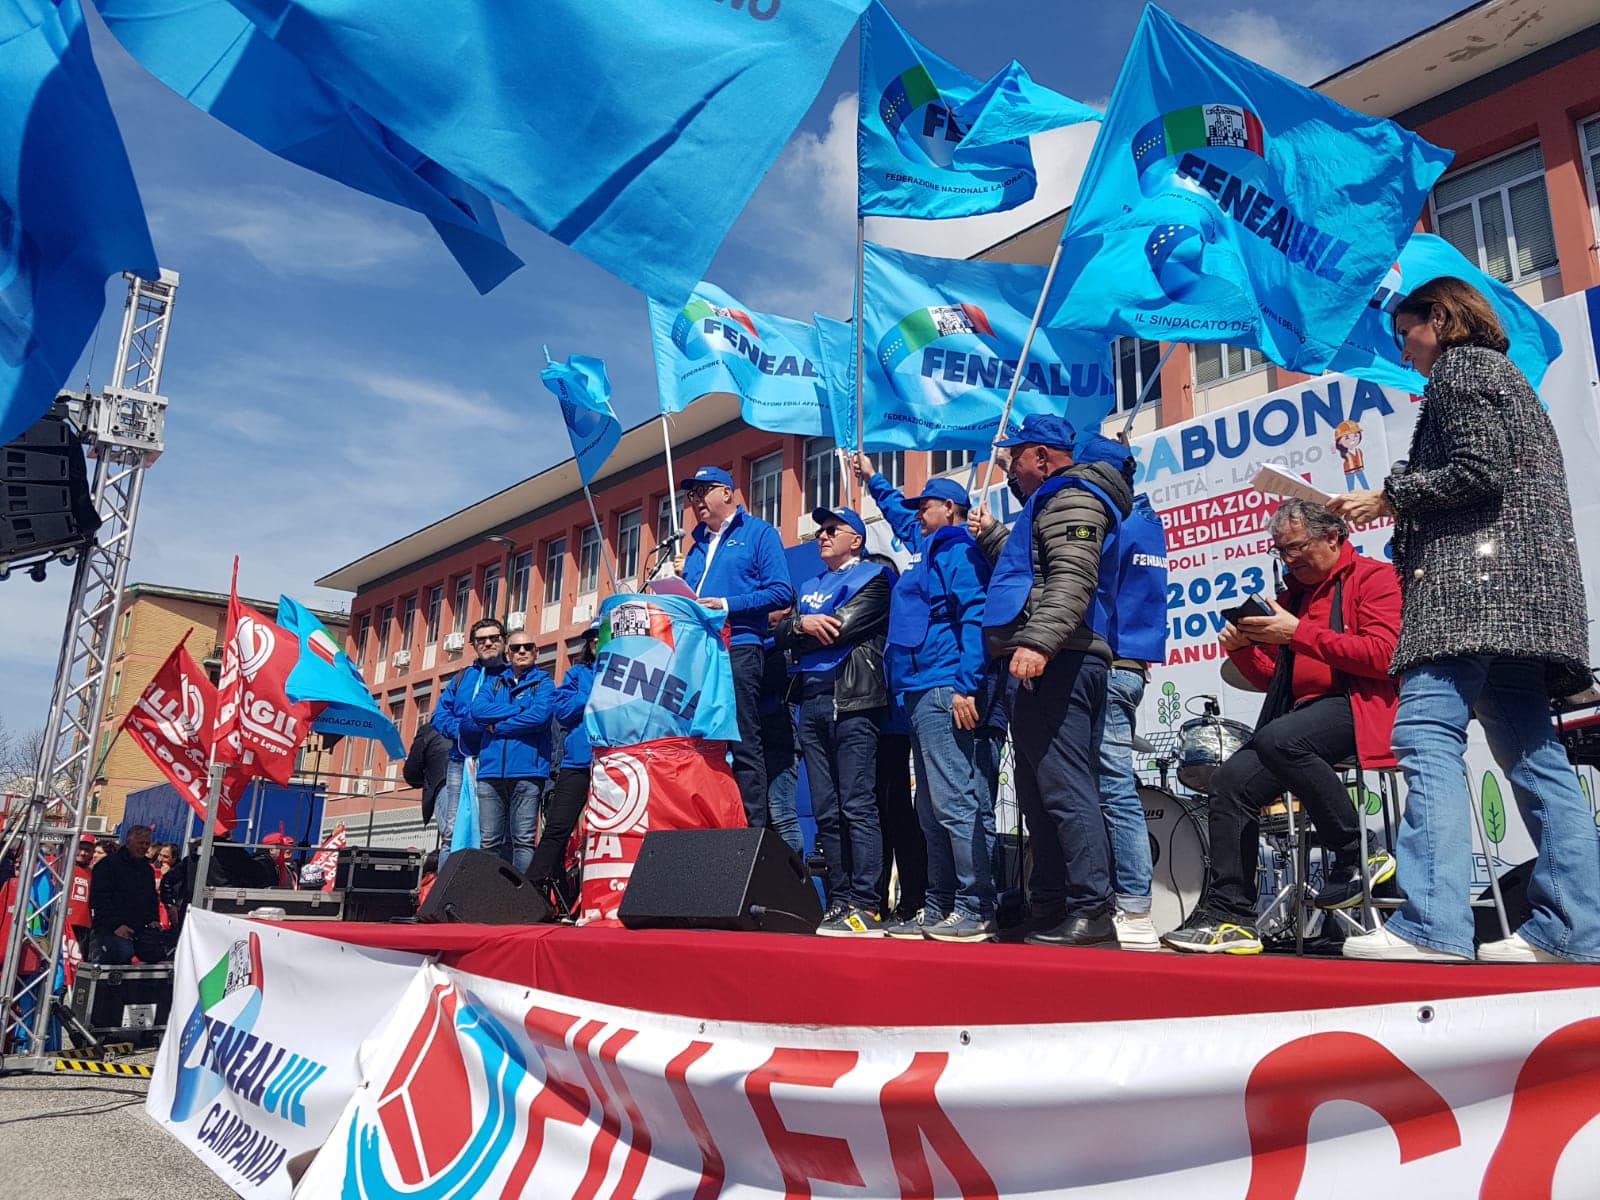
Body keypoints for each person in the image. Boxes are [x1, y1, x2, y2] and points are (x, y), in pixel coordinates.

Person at [1333, 275, 1600, 964]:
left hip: (1467, 594)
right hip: (1517, 601)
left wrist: (1389, 496)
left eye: (1408, 333)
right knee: (1536, 758)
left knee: (1424, 734)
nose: (1405, 351)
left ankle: (1431, 924)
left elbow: (1477, 471)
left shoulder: (1462, 370)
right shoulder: (1504, 378)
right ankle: (1575, 931)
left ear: (1443, 318)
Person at [1163, 500, 1401, 954]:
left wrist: (1297, 633)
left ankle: (1357, 853)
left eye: (1296, 547)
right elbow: (1274, 679)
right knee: (1230, 781)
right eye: (1280, 550)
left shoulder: (1374, 578)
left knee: (1280, 738)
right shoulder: (1292, 599)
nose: (1288, 559)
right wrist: (1241, 649)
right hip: (1301, 717)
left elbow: (1384, 655)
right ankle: (1230, 916)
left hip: (1358, 706)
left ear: (1332, 536)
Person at [970, 413, 1133, 948]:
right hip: (1044, 658)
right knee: (1038, 792)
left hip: (1062, 659)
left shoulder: (1074, 497)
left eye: (1015, 457)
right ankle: (1050, 905)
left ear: (1042, 457)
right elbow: (1033, 568)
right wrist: (994, 535)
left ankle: (1092, 909)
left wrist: (1039, 642)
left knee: (1063, 786)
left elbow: (1073, 576)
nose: (1009, 469)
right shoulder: (1051, 502)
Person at [856, 456, 995, 942]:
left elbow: (974, 616)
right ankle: (939, 904)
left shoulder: (960, 551)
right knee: (930, 807)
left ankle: (976, 905)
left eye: (926, 506)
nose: (917, 513)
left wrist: (965, 685)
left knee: (954, 801)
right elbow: (898, 513)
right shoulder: (925, 544)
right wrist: (871, 478)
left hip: (942, 686)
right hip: (916, 691)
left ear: (950, 509)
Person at [1071, 436, 1170, 951]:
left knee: (1111, 788)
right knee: (1108, 786)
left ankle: (1134, 909)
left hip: (1109, 665)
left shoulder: (1116, 521)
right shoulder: (1147, 522)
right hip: (1130, 666)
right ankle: (1124, 904)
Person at [776, 506, 891, 936]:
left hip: (854, 701)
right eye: (820, 530)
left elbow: (841, 628)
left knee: (856, 804)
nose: (822, 536)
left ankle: (867, 904)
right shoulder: (808, 586)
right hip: (811, 702)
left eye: (831, 530)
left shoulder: (875, 578)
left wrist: (800, 629)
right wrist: (801, 625)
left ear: (856, 540)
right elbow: (781, 634)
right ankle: (840, 899)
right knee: (826, 810)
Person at [678, 465, 795, 828]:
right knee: (700, 743)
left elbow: (781, 592)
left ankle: (751, 831)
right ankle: (709, 821)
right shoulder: (695, 547)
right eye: (692, 495)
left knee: (742, 739)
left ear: (727, 492)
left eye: (703, 491)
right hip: (698, 654)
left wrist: (726, 604)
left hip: (740, 646)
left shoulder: (758, 532)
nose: (696, 500)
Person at [470, 632, 556, 875]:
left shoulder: (545, 683)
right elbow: (478, 711)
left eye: (527, 647)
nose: (522, 651)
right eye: (516, 648)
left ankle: (521, 895)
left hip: (528, 773)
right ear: (508, 654)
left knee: (523, 841)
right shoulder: (494, 683)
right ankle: (489, 893)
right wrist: (518, 708)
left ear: (536, 652)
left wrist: (497, 726)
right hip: (490, 773)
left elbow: (539, 717)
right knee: (489, 842)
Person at [430, 617, 509, 862]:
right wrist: (463, 729)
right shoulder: (463, 677)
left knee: (493, 834)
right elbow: (439, 715)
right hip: (460, 762)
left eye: (494, 638)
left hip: (497, 763)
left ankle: (486, 884)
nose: (488, 643)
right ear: (473, 645)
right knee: (451, 832)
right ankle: (446, 885)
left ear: (504, 641)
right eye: (481, 640)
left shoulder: (513, 676)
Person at [534, 621, 599, 899]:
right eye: (592, 637)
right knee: (557, 828)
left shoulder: (629, 671)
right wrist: (592, 690)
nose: (597, 641)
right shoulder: (577, 673)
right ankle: (533, 889)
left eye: (603, 635)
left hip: (619, 761)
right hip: (579, 762)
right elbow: (561, 711)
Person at [89, 825, 174, 964]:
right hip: (111, 928)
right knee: (122, 953)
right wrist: (116, 926)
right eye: (140, 843)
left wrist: (153, 919)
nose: (144, 847)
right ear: (128, 842)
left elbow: (151, 897)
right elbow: (99, 898)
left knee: (158, 955)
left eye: (147, 843)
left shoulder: (147, 869)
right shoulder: (108, 865)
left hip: (140, 929)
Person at [403, 722, 451, 828]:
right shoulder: (477, 723)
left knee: (451, 831)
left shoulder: (429, 729)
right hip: (477, 782)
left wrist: (424, 779)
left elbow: (412, 771)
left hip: (443, 783)